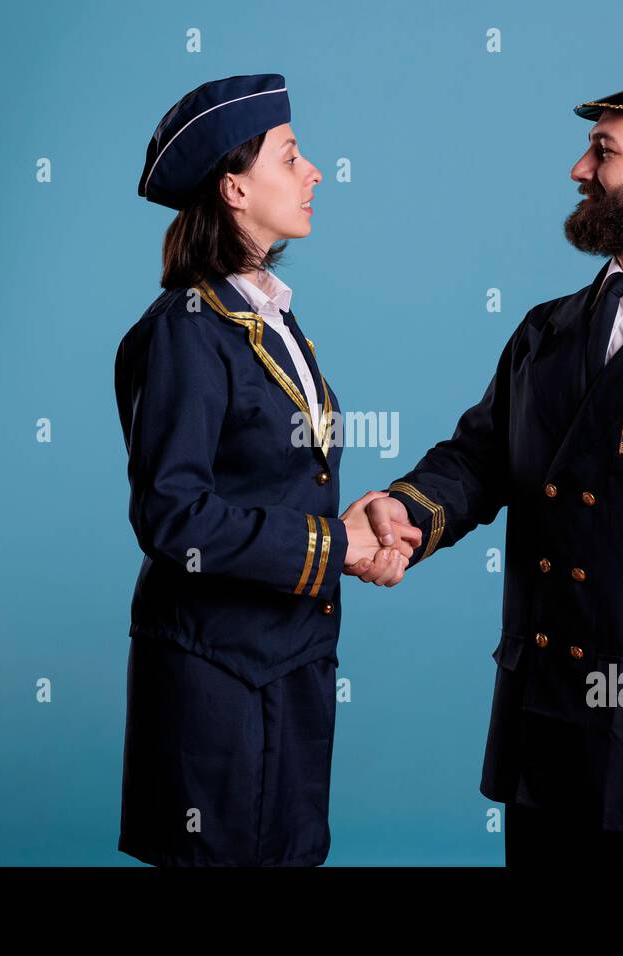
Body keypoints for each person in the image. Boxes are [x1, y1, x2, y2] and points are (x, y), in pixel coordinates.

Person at [345, 26, 623, 867]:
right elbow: (480, 459)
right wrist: (405, 513)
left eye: (602, 150)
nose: (578, 170)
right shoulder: (547, 331)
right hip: (543, 732)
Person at [114, 73, 418, 866]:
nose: (315, 171)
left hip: (292, 668)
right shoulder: (187, 327)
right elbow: (172, 516)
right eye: (291, 158)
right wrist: (330, 549)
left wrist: (353, 531)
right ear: (234, 187)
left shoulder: (268, 314)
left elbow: (274, 486)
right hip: (217, 677)